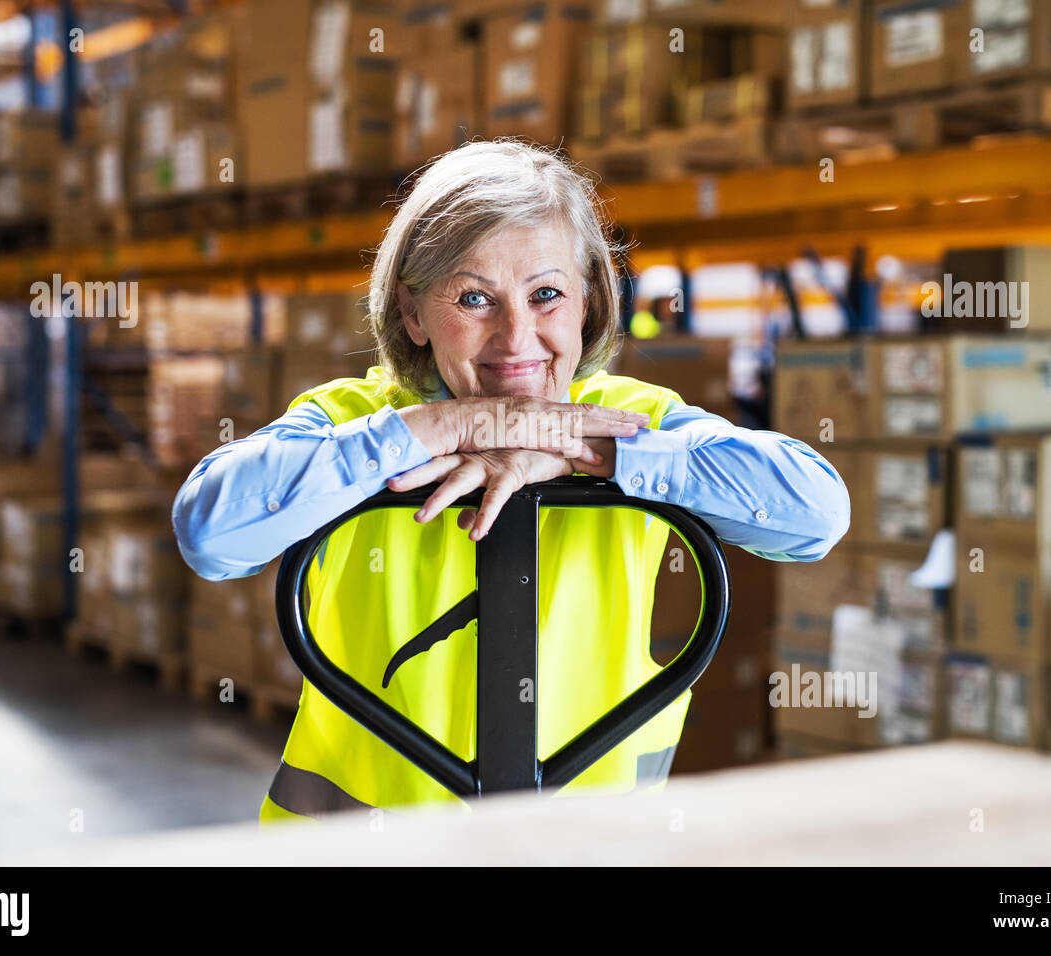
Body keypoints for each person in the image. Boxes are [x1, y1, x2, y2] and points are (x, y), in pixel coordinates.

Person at [171, 139, 850, 824]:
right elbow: (211, 531)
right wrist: (442, 429)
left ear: (587, 301)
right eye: (474, 298)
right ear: (411, 313)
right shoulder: (352, 421)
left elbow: (815, 513)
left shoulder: (630, 423)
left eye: (546, 294)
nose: (517, 338)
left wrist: (590, 449)